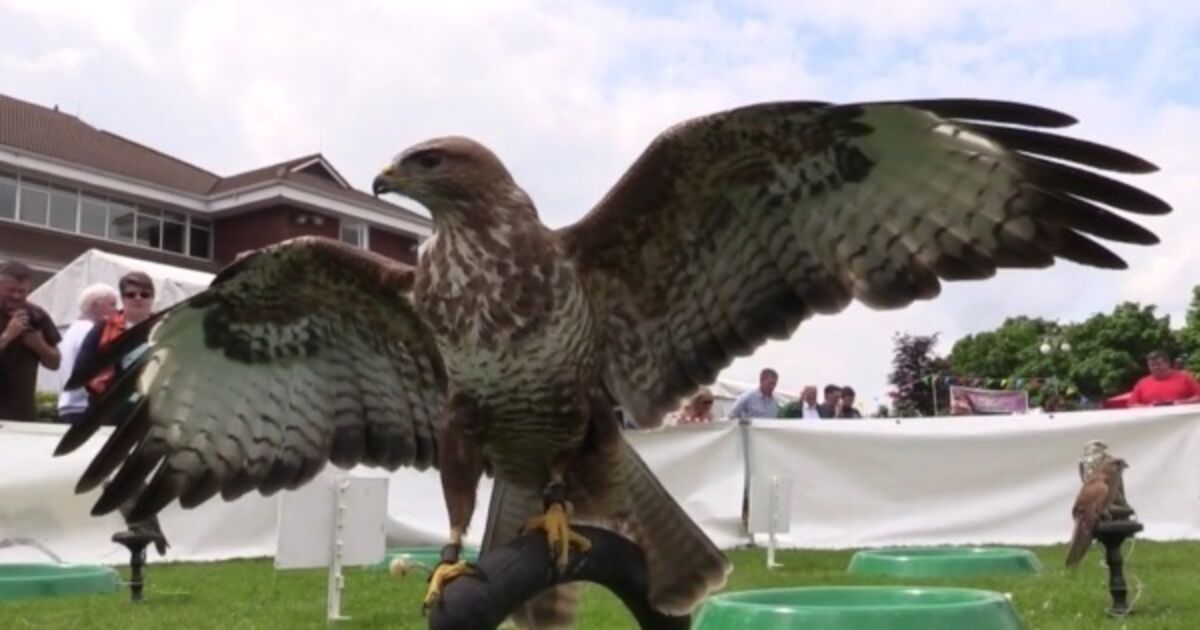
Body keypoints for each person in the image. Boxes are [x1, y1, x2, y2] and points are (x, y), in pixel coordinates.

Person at [75, 271, 157, 405]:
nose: (138, 298)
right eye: (131, 294)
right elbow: (83, 369)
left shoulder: (165, 326)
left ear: (152, 298)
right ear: (123, 299)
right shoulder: (102, 329)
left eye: (145, 294)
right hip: (111, 407)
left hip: (151, 407)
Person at [0, 261, 61, 421]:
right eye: (10, 290)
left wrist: (39, 346)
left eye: (22, 291)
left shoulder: (37, 315)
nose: (16, 296)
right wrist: (7, 336)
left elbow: (55, 364)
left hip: (22, 413)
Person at [56, 283, 119, 424]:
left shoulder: (71, 331)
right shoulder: (92, 332)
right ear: (95, 304)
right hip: (85, 405)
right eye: (112, 304)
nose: (116, 310)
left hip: (68, 404)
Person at [1128, 350, 1200, 407]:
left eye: (1158, 364)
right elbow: (1132, 404)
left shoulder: (1185, 377)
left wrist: (1180, 403)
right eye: (1152, 365)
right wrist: (1149, 407)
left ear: (1167, 363)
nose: (1155, 367)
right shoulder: (1142, 383)